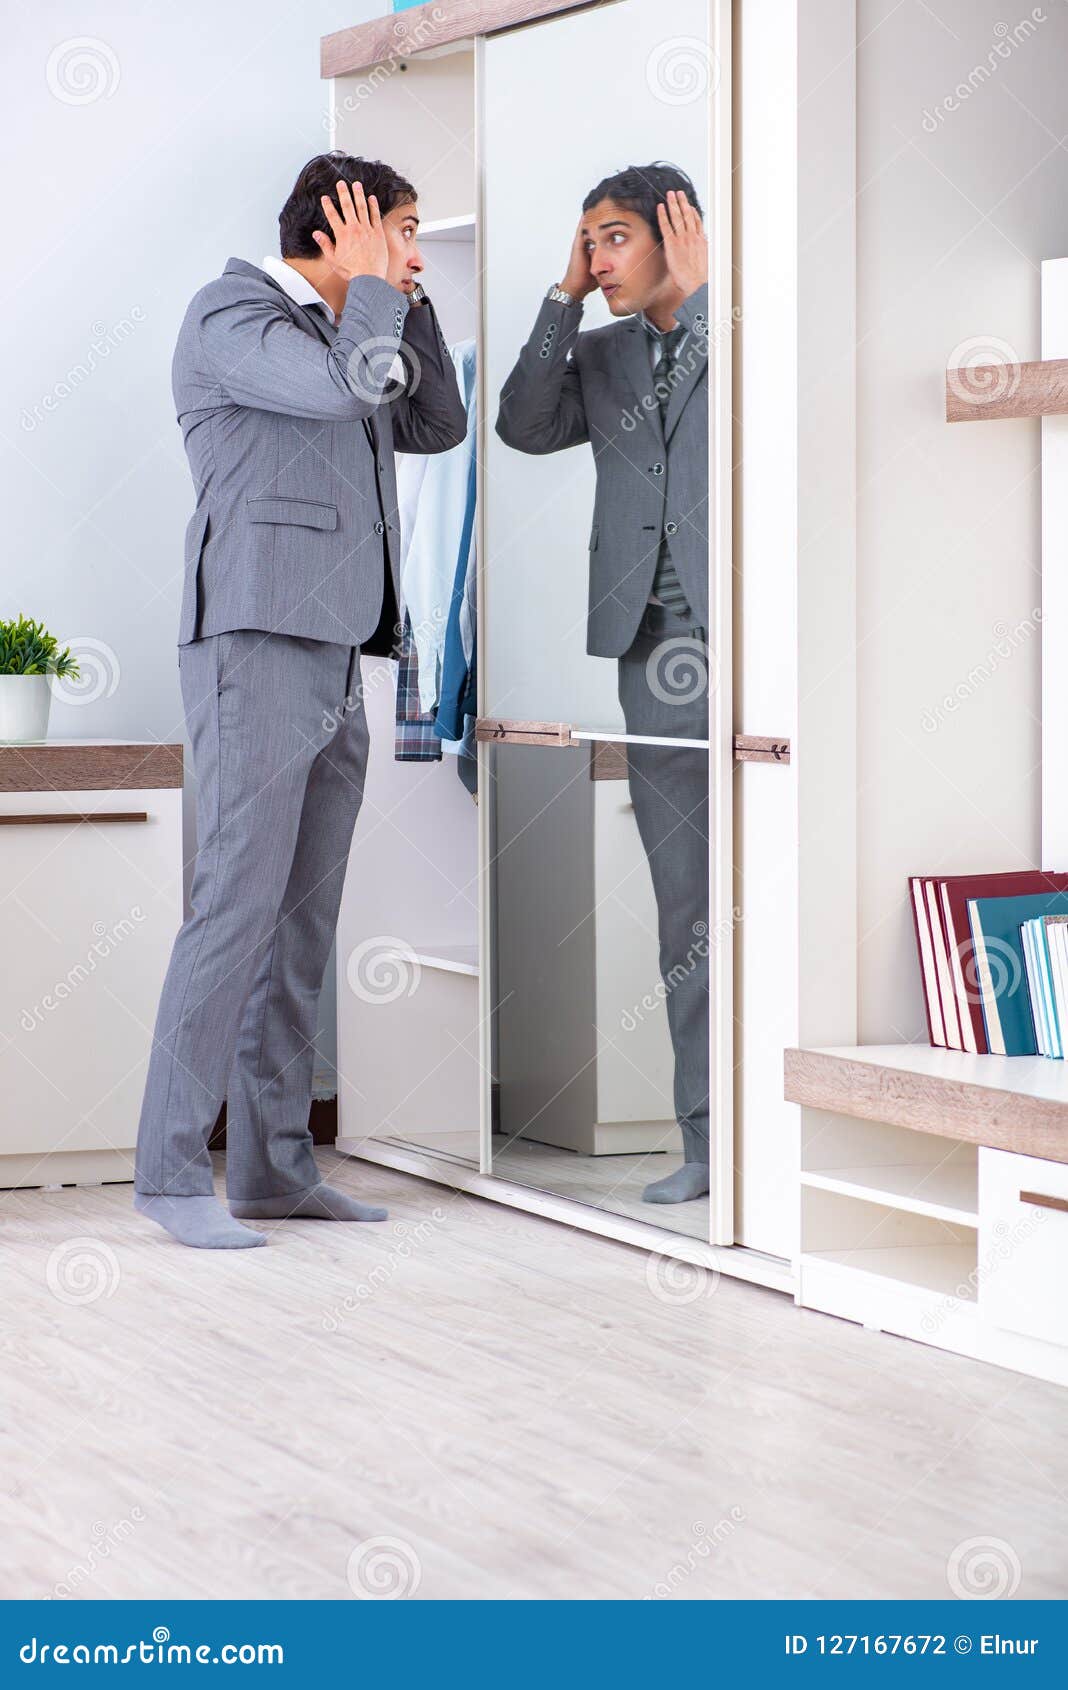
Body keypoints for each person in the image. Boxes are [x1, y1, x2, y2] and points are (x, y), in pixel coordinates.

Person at [134, 152, 467, 1248]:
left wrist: (399, 296)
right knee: (234, 904)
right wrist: (377, 289)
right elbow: (345, 393)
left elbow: (433, 425)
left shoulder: (355, 331)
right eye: (401, 230)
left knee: (300, 921)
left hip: (336, 650)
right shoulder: (230, 316)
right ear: (343, 226)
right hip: (252, 641)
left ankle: (275, 1170)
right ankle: (172, 1173)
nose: (415, 252)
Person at [495, 163, 711, 1204]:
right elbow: (522, 424)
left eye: (614, 237)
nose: (597, 258)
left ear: (679, 231)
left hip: (757, 642)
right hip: (650, 650)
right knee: (687, 905)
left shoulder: (747, 327)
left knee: (784, 889)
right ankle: (709, 1140)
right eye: (586, 240)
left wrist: (709, 299)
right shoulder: (604, 351)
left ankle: (778, 1131)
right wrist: (561, 296)